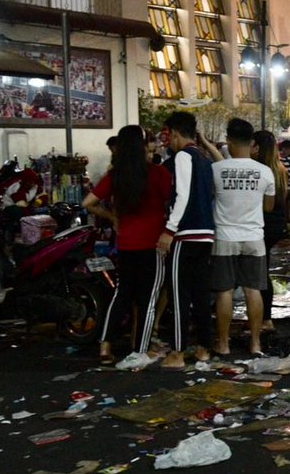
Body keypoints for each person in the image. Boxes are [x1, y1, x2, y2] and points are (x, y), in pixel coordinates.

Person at [84, 126, 173, 368]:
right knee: (148, 299)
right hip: (152, 244)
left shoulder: (116, 175)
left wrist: (113, 218)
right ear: (143, 146)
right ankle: (139, 350)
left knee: (122, 295)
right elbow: (171, 200)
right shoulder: (158, 173)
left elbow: (89, 202)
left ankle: (105, 345)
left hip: (125, 244)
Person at [157, 111, 216, 369]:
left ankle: (177, 352)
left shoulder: (183, 156)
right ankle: (204, 347)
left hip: (186, 233)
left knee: (179, 294)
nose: (167, 141)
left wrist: (169, 230)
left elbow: (182, 196)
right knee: (201, 293)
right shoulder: (204, 158)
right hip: (206, 234)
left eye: (168, 135)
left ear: (176, 134)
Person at [210, 119, 273, 357]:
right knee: (253, 289)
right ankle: (255, 343)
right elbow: (268, 207)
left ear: (228, 141)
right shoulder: (265, 172)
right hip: (254, 237)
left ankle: (223, 344)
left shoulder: (216, 169)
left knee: (224, 291)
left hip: (224, 236)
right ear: (252, 142)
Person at [253, 130, 288, 330]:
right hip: (276, 223)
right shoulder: (279, 169)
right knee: (262, 268)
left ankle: (264, 318)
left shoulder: (261, 170)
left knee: (258, 272)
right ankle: (265, 317)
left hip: (263, 222)